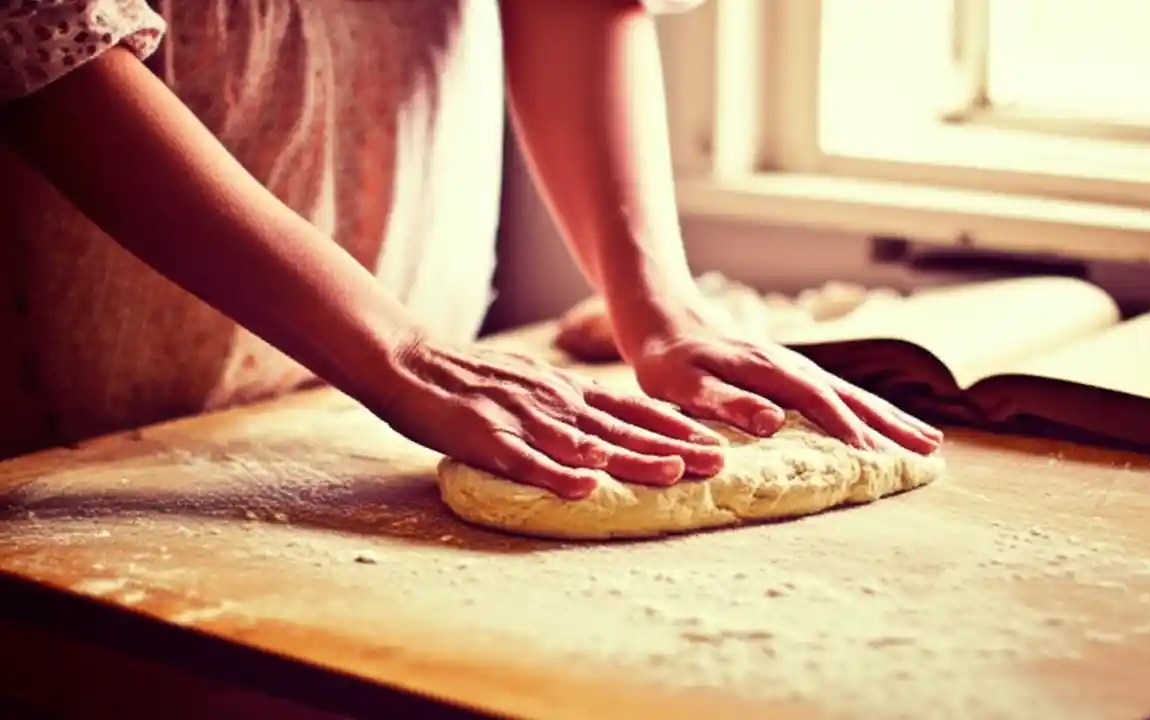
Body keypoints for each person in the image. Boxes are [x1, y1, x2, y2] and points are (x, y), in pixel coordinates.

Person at [0, 0, 941, 499]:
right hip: (73, 413)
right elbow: (46, 43)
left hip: (394, 401)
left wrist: (659, 308)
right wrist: (396, 352)